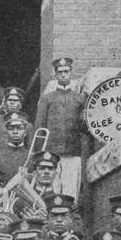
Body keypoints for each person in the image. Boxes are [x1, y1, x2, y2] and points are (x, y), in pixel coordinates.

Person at [34, 57, 88, 200]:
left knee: (71, 192)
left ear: (71, 73)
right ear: (55, 75)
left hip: (73, 151)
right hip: (51, 153)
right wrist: (39, 154)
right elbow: (39, 127)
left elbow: (85, 128)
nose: (63, 75)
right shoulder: (47, 98)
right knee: (52, 191)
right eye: (60, 72)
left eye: (66, 71)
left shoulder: (80, 99)